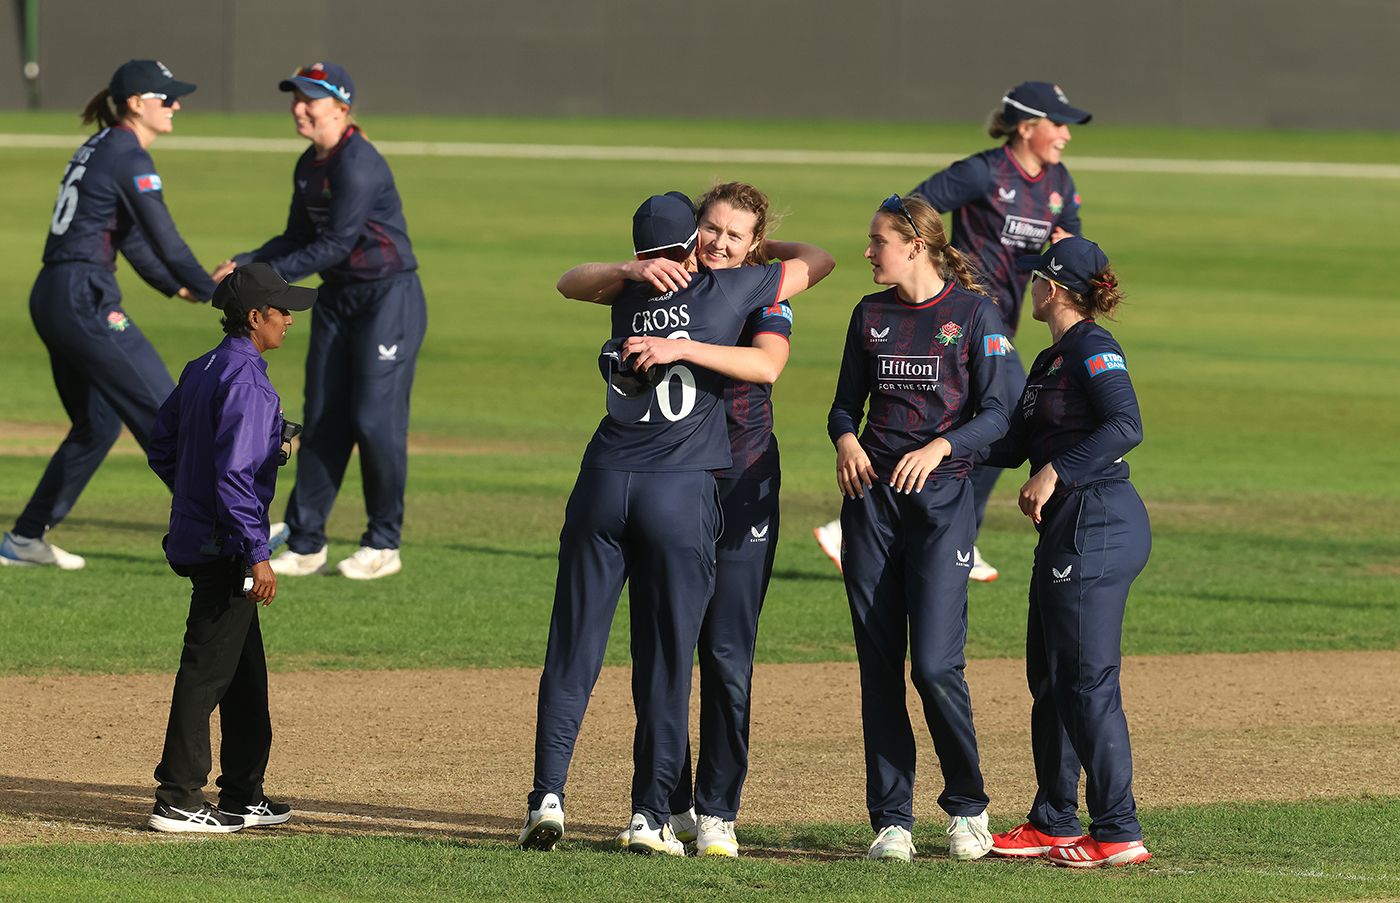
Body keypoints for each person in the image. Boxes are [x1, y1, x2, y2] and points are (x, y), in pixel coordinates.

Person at [519, 192, 831, 856]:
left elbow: (767, 361)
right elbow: (818, 265)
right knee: (663, 656)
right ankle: (659, 808)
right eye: (710, 229)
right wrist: (652, 287)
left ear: (756, 243)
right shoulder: (696, 285)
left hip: (724, 483)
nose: (719, 241)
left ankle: (703, 807)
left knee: (718, 653)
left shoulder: (741, 290)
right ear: (691, 235)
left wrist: (672, 335)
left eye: (734, 234)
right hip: (683, 487)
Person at [815, 81, 1092, 583]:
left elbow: (1067, 240)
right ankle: (900, 524)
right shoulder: (983, 171)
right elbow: (914, 210)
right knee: (1001, 420)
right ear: (1028, 127)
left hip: (997, 325)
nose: (1065, 135)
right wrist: (944, 267)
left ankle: (913, 523)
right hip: (962, 321)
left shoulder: (1059, 183)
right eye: (1058, 124)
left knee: (988, 426)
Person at [828, 194, 1014, 863]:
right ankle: (892, 820)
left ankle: (967, 807)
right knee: (879, 664)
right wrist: (846, 440)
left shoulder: (972, 315)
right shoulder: (869, 314)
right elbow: (844, 405)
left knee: (934, 664)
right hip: (871, 508)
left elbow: (1001, 412)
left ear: (915, 245)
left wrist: (942, 448)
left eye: (878, 240)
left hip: (941, 509)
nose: (868, 251)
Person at [975, 237, 1153, 868]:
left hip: (1098, 520)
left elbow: (1125, 424)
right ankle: (1054, 820)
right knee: (1050, 678)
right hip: (1070, 530)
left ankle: (1118, 831)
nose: (1030, 288)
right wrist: (938, 444)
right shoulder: (1052, 359)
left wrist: (1056, 473)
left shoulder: (1094, 347)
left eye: (1037, 281)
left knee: (1086, 681)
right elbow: (1012, 442)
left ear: (1053, 289)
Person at [0, 59, 217, 570]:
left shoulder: (99, 146)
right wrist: (219, 291)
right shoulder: (128, 153)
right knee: (167, 414)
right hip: (82, 295)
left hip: (54, 293)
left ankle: (26, 537)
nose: (176, 105)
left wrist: (178, 288)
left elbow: (136, 242)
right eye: (167, 98)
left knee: (97, 425)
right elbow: (164, 237)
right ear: (139, 104)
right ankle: (229, 527)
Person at [218, 62, 427, 581]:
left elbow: (334, 244)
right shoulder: (309, 164)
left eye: (310, 99)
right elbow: (295, 236)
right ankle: (307, 542)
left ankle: (384, 542)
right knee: (326, 418)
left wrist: (260, 280)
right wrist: (247, 261)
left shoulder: (358, 164)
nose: (299, 107)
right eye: (295, 98)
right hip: (338, 297)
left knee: (375, 421)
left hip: (387, 301)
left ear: (341, 106)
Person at [145, 263, 316, 833]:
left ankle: (243, 792)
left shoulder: (205, 367)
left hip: (209, 535)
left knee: (244, 673)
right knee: (206, 670)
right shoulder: (247, 380)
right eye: (281, 310)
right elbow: (237, 478)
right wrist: (257, 553)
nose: (290, 319)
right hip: (228, 549)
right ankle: (178, 796)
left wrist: (271, 452)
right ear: (254, 317)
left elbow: (164, 443)